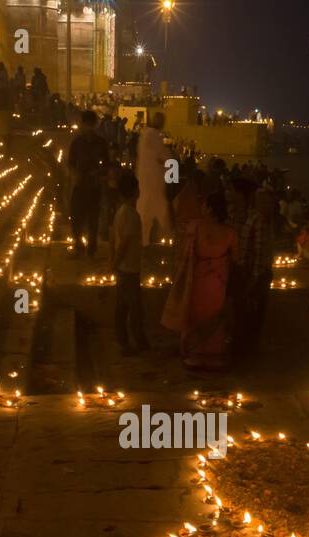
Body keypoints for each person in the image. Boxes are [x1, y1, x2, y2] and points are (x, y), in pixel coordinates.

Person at [161, 192, 239, 371]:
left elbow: (184, 252)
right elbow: (236, 257)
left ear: (210, 209)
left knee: (196, 313)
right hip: (219, 281)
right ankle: (214, 355)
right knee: (214, 314)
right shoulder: (230, 232)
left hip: (199, 278)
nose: (201, 208)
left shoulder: (195, 227)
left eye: (204, 205)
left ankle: (195, 353)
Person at [232, 182, 277, 363]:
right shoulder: (258, 220)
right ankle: (248, 349)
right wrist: (254, 278)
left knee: (249, 313)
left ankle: (246, 347)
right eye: (267, 202)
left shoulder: (255, 218)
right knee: (253, 313)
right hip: (255, 274)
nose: (270, 206)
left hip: (251, 273)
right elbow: (257, 252)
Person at [111, 173, 150, 355]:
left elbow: (114, 238)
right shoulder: (132, 215)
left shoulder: (120, 212)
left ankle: (124, 341)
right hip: (129, 269)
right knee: (133, 308)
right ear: (135, 191)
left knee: (123, 307)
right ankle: (134, 342)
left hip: (124, 267)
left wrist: (114, 261)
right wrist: (116, 262)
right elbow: (125, 242)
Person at [66, 110, 108, 258]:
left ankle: (91, 250)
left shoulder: (101, 143)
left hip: (94, 187)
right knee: (76, 218)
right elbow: (70, 163)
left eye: (91, 125)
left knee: (93, 220)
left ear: (95, 125)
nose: (89, 128)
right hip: (79, 186)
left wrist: (99, 173)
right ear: (82, 125)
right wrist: (75, 174)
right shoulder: (77, 143)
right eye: (86, 125)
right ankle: (78, 246)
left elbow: (106, 165)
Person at [136, 112, 173, 246]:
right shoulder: (154, 135)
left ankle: (145, 243)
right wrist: (172, 180)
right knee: (161, 214)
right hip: (154, 184)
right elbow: (167, 158)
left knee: (145, 216)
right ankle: (168, 243)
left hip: (146, 183)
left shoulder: (145, 135)